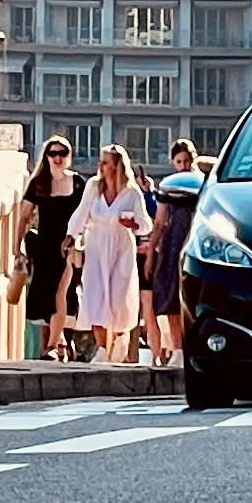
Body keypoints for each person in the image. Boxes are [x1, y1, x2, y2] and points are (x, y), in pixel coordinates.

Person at [68, 143, 151, 363]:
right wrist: (70, 235)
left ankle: (119, 342)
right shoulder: (94, 187)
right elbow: (82, 212)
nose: (100, 166)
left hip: (121, 248)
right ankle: (103, 348)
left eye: (105, 162)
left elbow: (146, 225)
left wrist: (133, 224)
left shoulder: (131, 192)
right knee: (95, 297)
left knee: (118, 301)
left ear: (116, 166)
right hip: (95, 246)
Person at [17, 137, 80, 361]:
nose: (57, 158)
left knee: (62, 293)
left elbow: (86, 214)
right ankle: (56, 343)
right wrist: (17, 249)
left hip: (68, 247)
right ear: (46, 156)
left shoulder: (78, 183)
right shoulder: (39, 184)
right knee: (46, 296)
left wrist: (79, 240)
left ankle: (54, 344)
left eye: (62, 153)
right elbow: (24, 217)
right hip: (44, 247)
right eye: (53, 153)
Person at [145, 141, 203, 364]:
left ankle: (193, 347)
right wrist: (151, 251)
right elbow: (159, 222)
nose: (184, 165)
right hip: (173, 242)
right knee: (171, 296)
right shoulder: (169, 186)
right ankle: (177, 349)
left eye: (187, 161)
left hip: (194, 240)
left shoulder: (203, 184)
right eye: (179, 161)